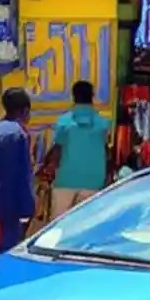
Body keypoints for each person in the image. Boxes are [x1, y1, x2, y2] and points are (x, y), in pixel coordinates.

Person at [41, 81, 112, 220]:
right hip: (94, 181)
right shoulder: (103, 124)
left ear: (73, 97)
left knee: (59, 227)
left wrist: (47, 167)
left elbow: (57, 150)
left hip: (65, 181)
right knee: (86, 228)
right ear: (92, 97)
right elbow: (106, 152)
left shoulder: (64, 122)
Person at [0, 88, 36, 251]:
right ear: (25, 110)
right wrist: (27, 206)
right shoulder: (16, 134)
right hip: (9, 208)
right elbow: (17, 175)